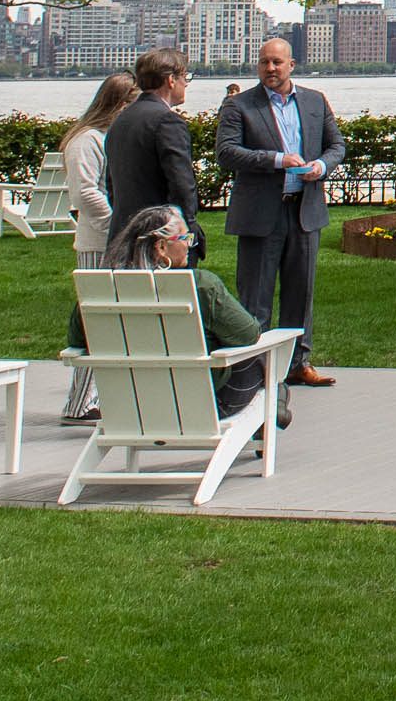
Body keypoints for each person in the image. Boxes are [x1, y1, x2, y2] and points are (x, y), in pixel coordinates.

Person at [217, 36, 344, 389]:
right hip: (260, 216)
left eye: (276, 63)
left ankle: (298, 363)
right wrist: (276, 160)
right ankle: (253, 372)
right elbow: (226, 153)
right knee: (255, 299)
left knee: (299, 295)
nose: (270, 69)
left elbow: (337, 145)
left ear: (291, 65)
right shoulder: (239, 105)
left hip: (305, 212)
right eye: (264, 63)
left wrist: (321, 165)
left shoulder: (315, 101)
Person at [93, 202, 278, 418]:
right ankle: (278, 404)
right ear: (161, 247)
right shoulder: (200, 285)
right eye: (184, 239)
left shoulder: (103, 290)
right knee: (263, 361)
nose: (189, 246)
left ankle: (278, 404)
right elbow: (248, 334)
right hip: (201, 403)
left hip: (131, 404)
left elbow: (78, 339)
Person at [54, 70, 135, 423]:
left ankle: (99, 397)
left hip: (115, 238)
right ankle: (79, 403)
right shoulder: (86, 141)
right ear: (119, 105)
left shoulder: (108, 138)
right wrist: (119, 225)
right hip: (98, 241)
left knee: (115, 321)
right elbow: (85, 194)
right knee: (98, 320)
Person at [104, 47, 197, 228]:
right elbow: (181, 184)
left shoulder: (120, 120)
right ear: (171, 80)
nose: (186, 84)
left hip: (124, 230)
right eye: (185, 78)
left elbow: (111, 184)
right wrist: (187, 227)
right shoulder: (168, 121)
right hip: (159, 233)